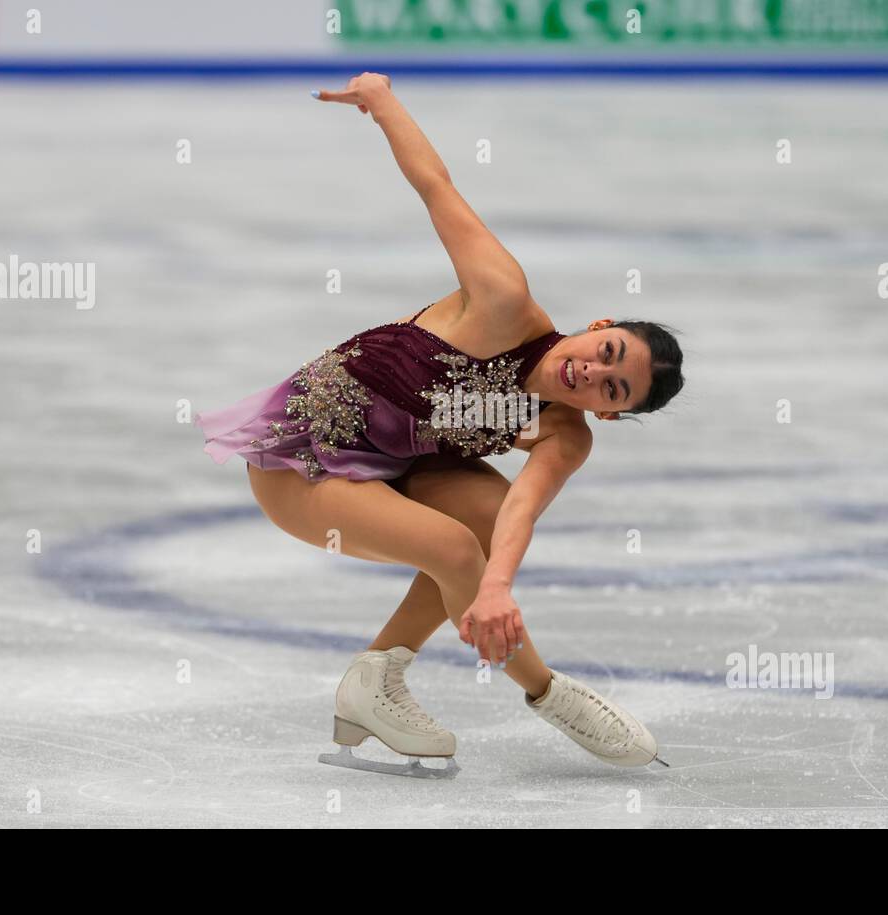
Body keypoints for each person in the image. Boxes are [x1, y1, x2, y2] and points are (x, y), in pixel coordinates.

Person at [197, 73, 684, 778]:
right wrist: (383, 101)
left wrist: (499, 589)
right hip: (304, 458)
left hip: (396, 465)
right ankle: (549, 693)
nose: (591, 372)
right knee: (457, 550)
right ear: (599, 325)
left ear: (610, 412)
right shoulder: (502, 300)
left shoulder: (564, 432)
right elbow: (437, 185)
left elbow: (518, 508)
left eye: (614, 388)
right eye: (605, 352)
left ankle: (375, 678)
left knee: (482, 525)